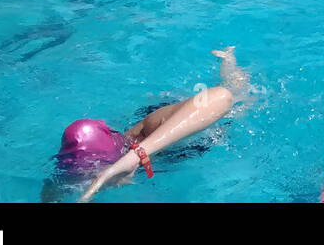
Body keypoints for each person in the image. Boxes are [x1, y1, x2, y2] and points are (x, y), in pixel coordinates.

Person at [64, 48, 251, 203]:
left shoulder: (146, 132)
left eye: (95, 173)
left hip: (190, 117)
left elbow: (221, 97)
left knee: (240, 95)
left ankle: (228, 60)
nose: (90, 179)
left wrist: (134, 157)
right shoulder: (74, 172)